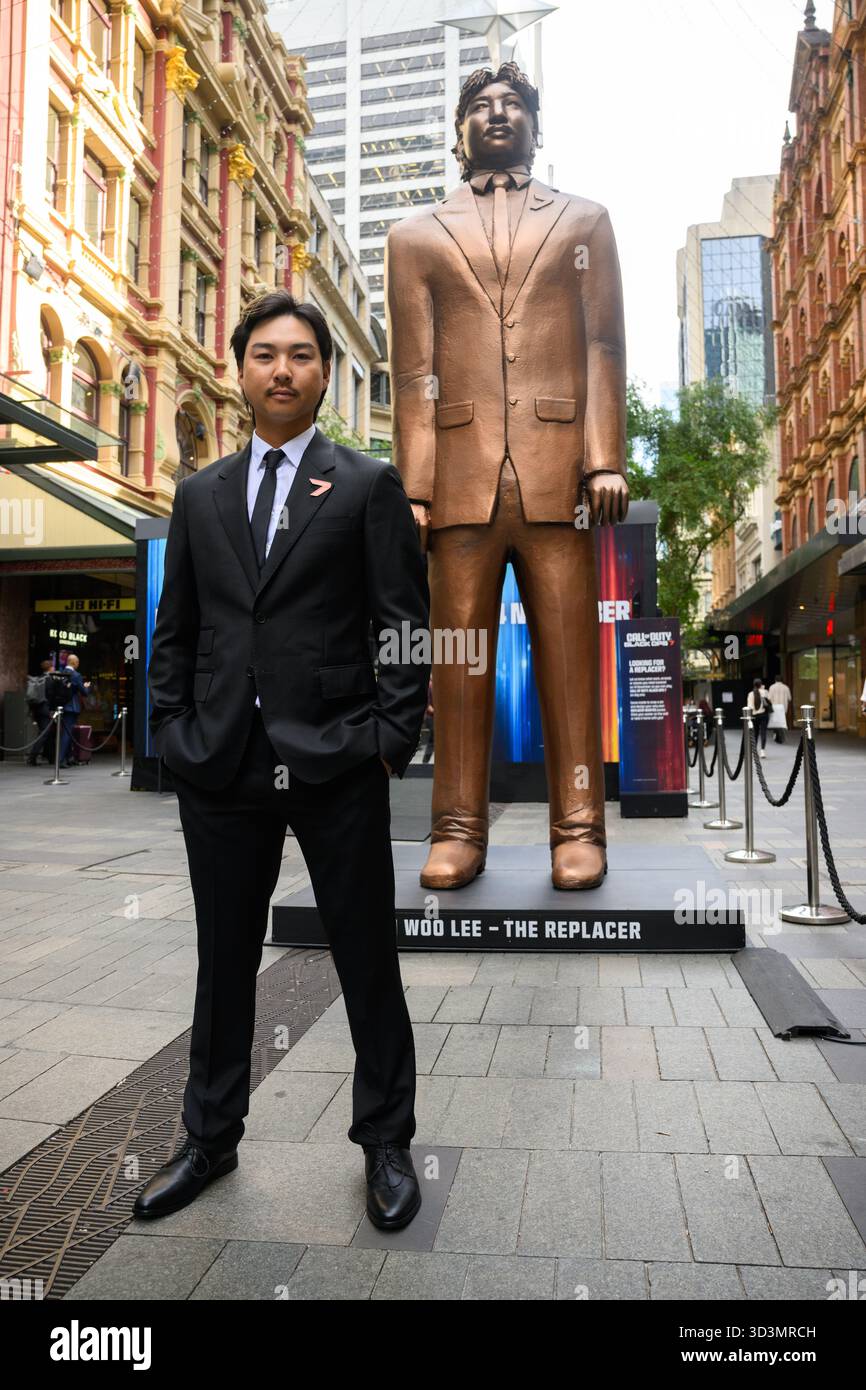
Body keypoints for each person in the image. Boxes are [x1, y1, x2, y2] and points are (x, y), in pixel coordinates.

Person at [138, 290, 430, 1230]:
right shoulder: (200, 495)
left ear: (322, 373)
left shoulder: (365, 484)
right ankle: (209, 1139)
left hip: (336, 756)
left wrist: (389, 740)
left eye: (301, 355)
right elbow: (175, 628)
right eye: (265, 353)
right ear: (240, 368)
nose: (282, 369)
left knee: (364, 954)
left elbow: (403, 625)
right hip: (219, 763)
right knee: (223, 960)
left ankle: (385, 1139)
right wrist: (175, 732)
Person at [386, 59, 629, 892]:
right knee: (457, 662)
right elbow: (413, 373)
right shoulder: (414, 237)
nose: (497, 114)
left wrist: (605, 459)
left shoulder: (585, 223)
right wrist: (412, 487)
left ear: (534, 122)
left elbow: (602, 347)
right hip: (458, 480)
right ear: (458, 133)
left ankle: (579, 827)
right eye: (481, 106)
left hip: (560, 476)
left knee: (568, 658)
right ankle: (456, 827)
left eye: (511, 103)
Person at [58, 654, 91, 768]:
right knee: (67, 734)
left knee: (65, 732)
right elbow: (84, 692)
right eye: (78, 662)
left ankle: (68, 758)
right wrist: (87, 686)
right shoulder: (76, 675)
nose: (78, 664)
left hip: (61, 707)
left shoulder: (61, 673)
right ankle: (61, 759)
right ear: (74, 663)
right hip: (72, 707)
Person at [25, 659, 56, 765]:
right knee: (44, 733)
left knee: (48, 733)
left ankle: (51, 757)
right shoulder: (49, 680)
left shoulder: (39, 678)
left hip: (36, 709)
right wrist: (52, 710)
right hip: (45, 710)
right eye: (53, 667)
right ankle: (32, 757)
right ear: (50, 668)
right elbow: (50, 696)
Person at [747, 677, 771, 757]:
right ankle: (762, 751)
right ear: (761, 684)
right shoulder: (765, 692)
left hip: (754, 716)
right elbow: (770, 700)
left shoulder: (750, 694)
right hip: (763, 715)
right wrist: (763, 689)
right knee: (763, 732)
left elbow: (749, 706)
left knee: (755, 733)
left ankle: (754, 751)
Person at [767, 672, 792, 744]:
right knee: (782, 722)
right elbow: (789, 698)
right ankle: (780, 736)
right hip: (783, 707)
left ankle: (777, 735)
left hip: (774, 707)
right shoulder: (786, 687)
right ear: (782, 680)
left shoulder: (772, 687)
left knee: (775, 722)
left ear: (775, 680)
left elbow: (769, 698)